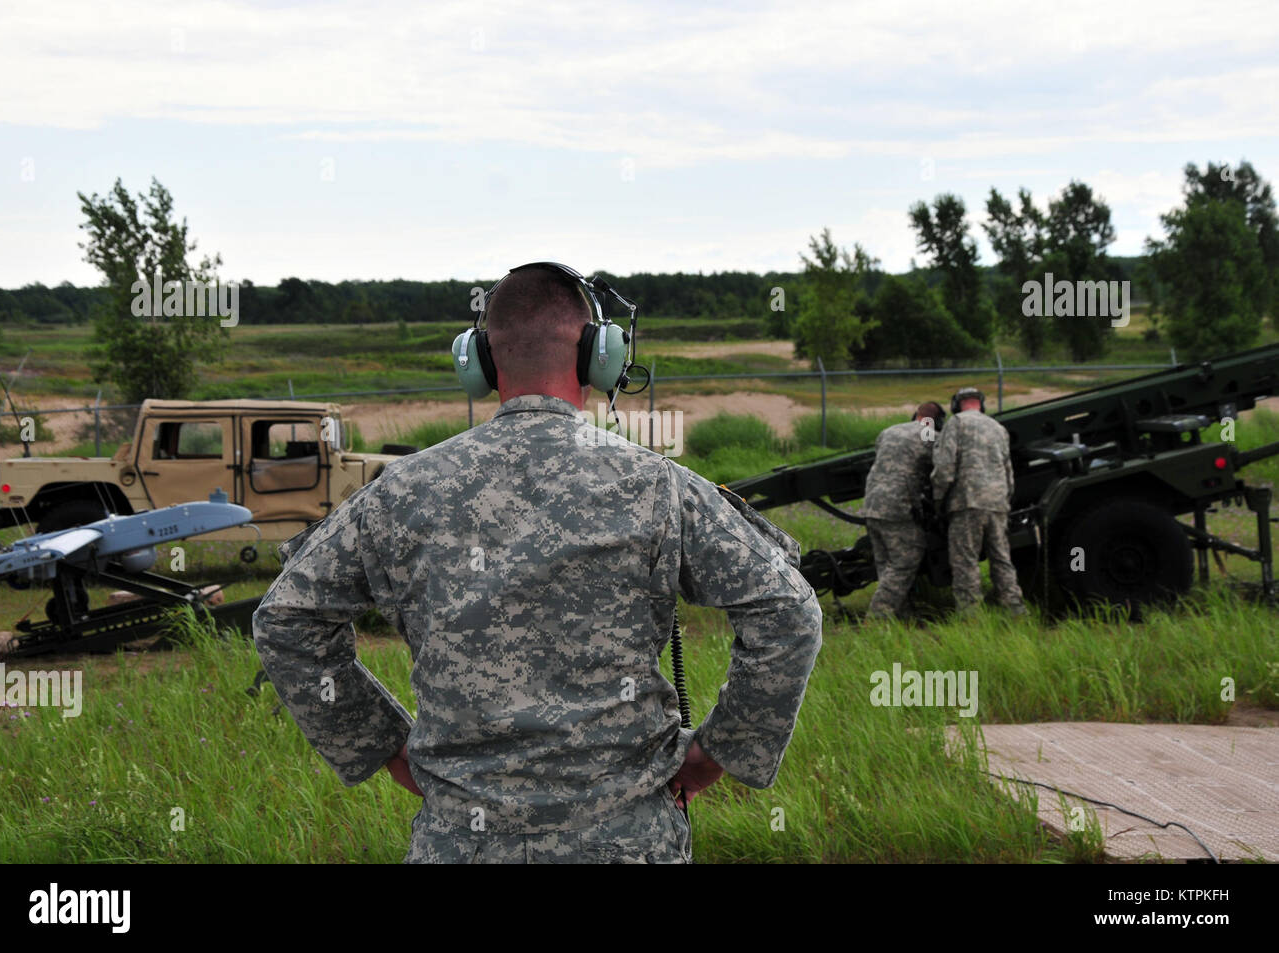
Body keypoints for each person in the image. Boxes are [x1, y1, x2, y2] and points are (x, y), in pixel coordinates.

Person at [252, 263, 822, 864]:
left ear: (482, 362)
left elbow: (287, 619)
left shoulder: (399, 492)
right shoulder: (658, 487)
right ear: (598, 357)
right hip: (626, 842)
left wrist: (385, 747)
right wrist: (719, 751)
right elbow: (787, 610)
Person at [930, 387, 1026, 615]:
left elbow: (944, 469)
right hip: (997, 503)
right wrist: (1005, 499)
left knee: (965, 562)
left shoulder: (956, 424)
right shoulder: (998, 428)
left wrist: (938, 501)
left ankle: (970, 615)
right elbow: (1008, 471)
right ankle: (1015, 609)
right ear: (981, 404)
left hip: (967, 502)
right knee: (1002, 560)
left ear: (956, 405)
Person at [860, 401, 945, 619]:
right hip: (897, 506)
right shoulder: (928, 434)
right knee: (905, 560)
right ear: (935, 421)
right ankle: (878, 616)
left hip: (871, 504)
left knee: (885, 563)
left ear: (915, 414)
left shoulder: (889, 431)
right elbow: (936, 467)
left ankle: (901, 613)